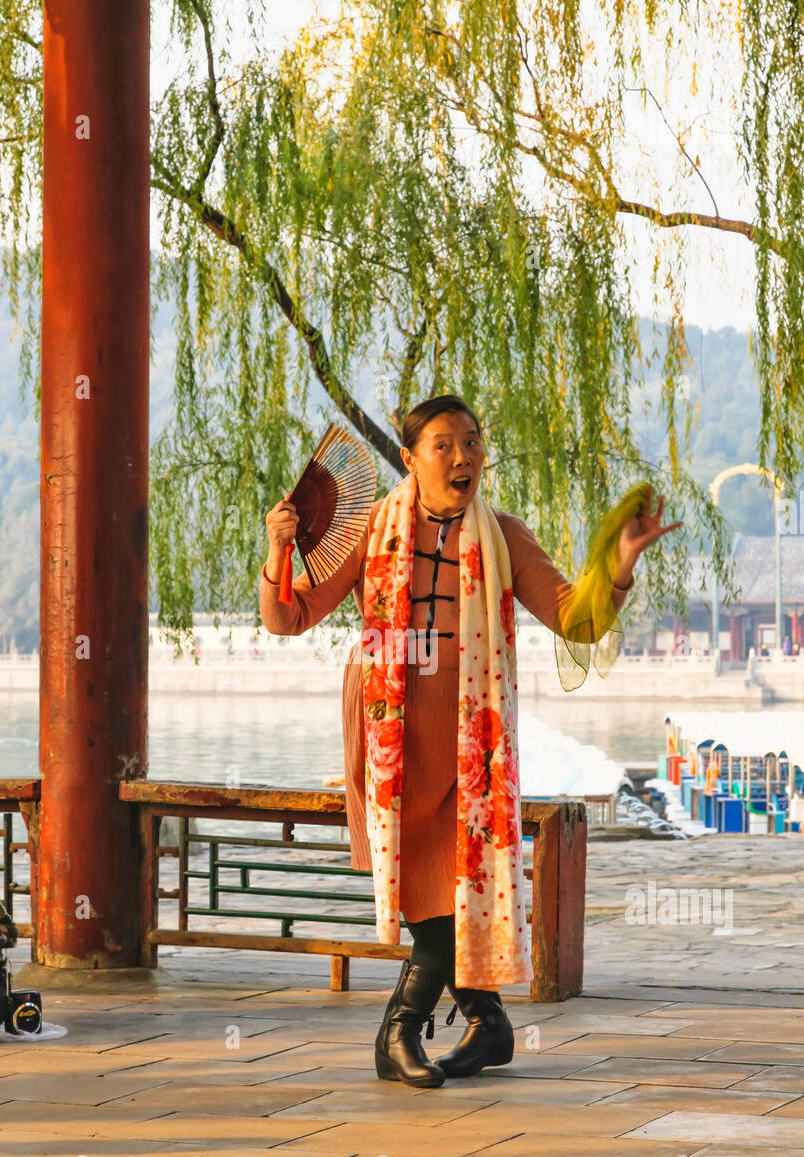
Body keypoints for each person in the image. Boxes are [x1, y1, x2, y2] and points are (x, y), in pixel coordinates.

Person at [260, 395, 678, 1088]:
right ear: (410, 459)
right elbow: (288, 617)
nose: (463, 458)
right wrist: (278, 546)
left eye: (473, 443)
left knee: (456, 887)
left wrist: (620, 564)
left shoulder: (504, 535)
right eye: (445, 445)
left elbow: (576, 620)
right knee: (429, 893)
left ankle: (412, 1031)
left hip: (470, 735)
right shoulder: (369, 529)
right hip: (389, 729)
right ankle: (479, 1023)